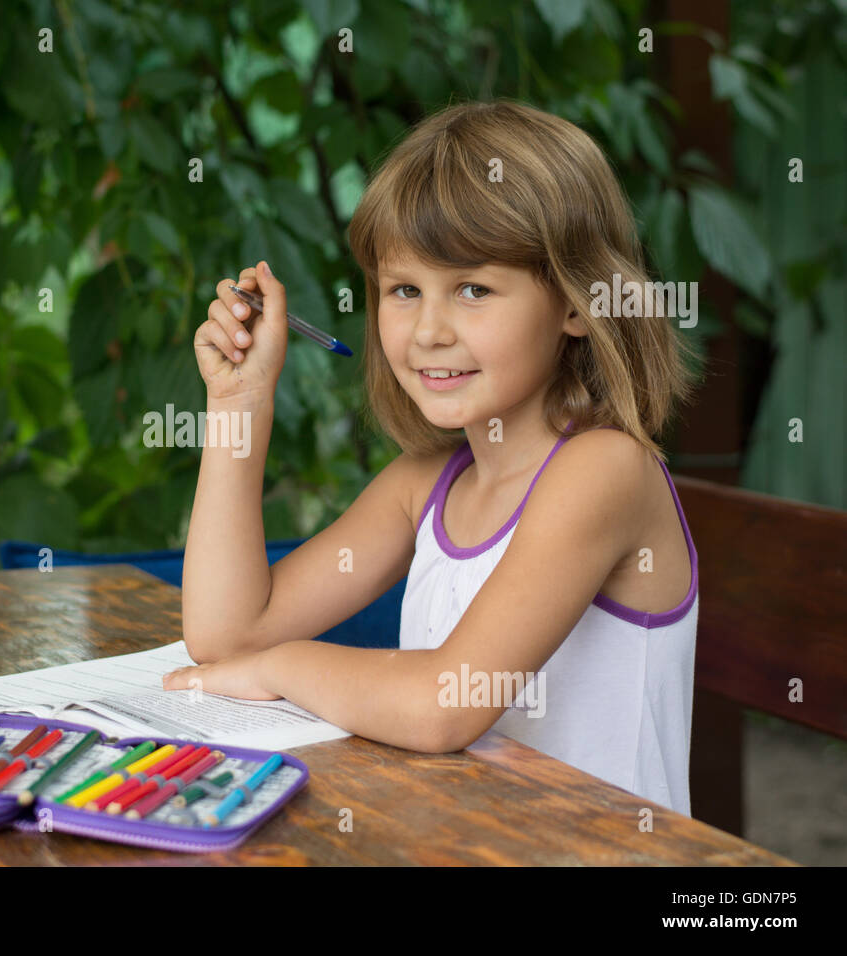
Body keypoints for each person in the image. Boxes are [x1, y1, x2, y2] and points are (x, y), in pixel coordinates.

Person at [164, 100, 702, 816]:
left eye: (473, 289)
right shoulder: (428, 484)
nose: (429, 330)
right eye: (405, 290)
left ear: (578, 304)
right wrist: (239, 403)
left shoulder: (604, 472)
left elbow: (443, 705)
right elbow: (226, 633)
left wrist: (278, 668)